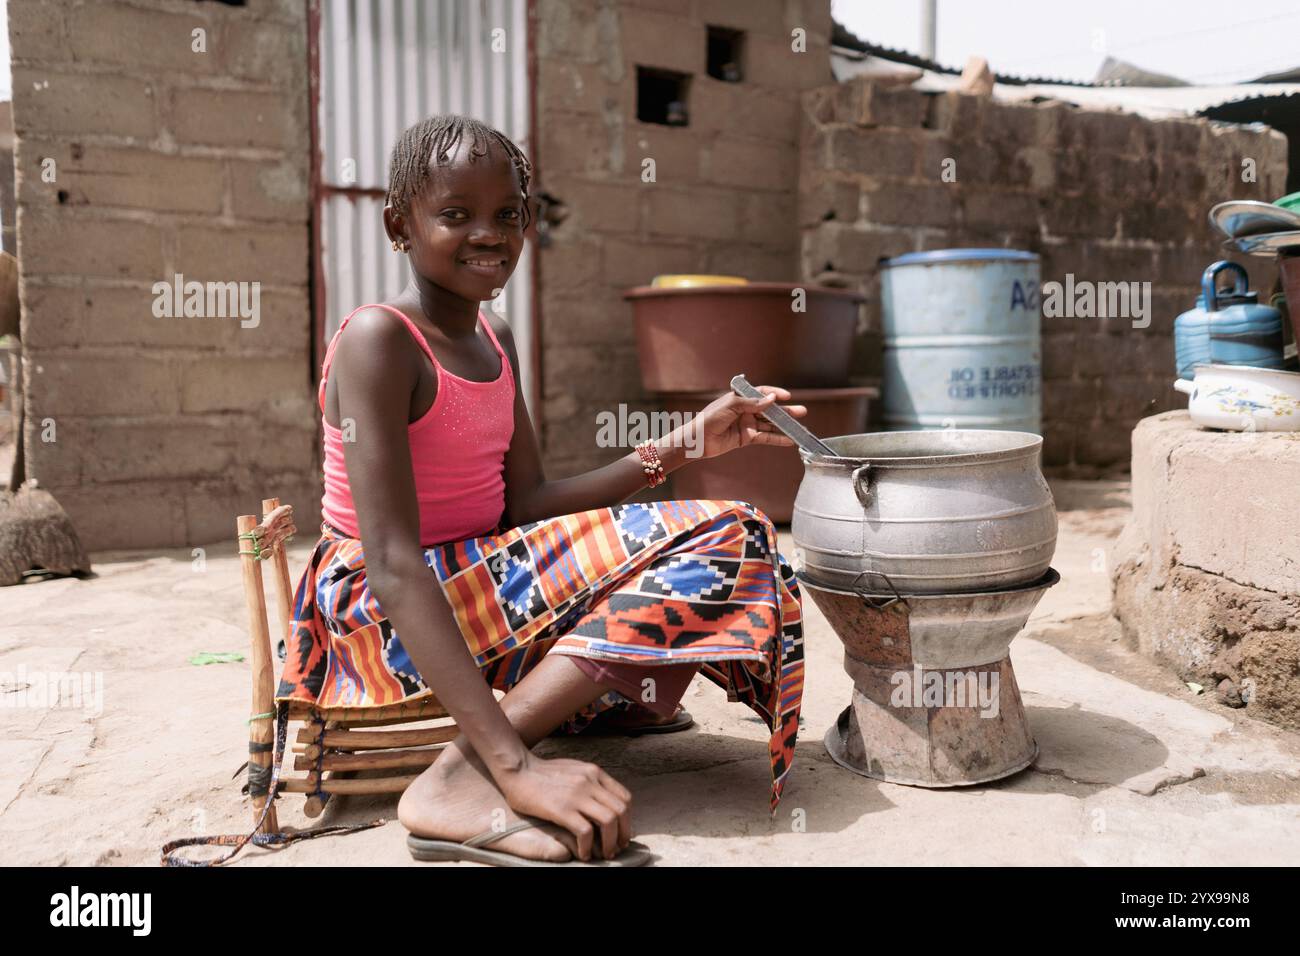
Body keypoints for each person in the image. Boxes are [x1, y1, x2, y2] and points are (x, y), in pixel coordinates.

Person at [275, 115, 806, 866]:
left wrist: (690, 443)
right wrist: (517, 767)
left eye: (507, 215)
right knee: (730, 536)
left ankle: (580, 708)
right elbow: (392, 558)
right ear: (400, 225)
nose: (487, 235)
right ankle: (462, 776)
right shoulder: (379, 341)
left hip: (476, 573)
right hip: (375, 608)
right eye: (455, 214)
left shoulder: (497, 342)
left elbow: (525, 508)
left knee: (732, 531)